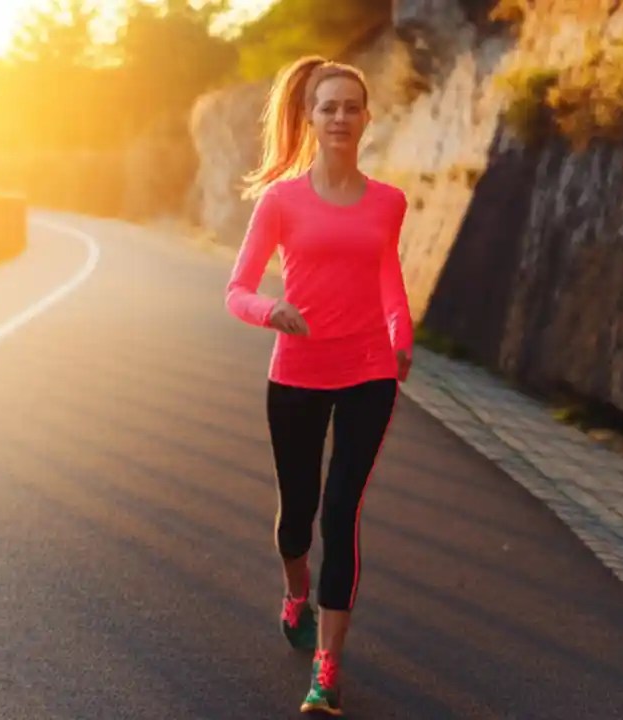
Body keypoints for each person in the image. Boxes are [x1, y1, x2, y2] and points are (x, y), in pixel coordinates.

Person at [223, 54, 413, 716]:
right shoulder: (281, 201)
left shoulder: (389, 202)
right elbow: (236, 289)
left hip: (369, 372)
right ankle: (294, 592)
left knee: (341, 512)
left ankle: (327, 671)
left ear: (366, 118)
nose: (339, 117)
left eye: (351, 107)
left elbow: (386, 271)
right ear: (311, 115)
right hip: (298, 373)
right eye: (328, 106)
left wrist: (401, 332)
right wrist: (268, 310)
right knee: (298, 513)